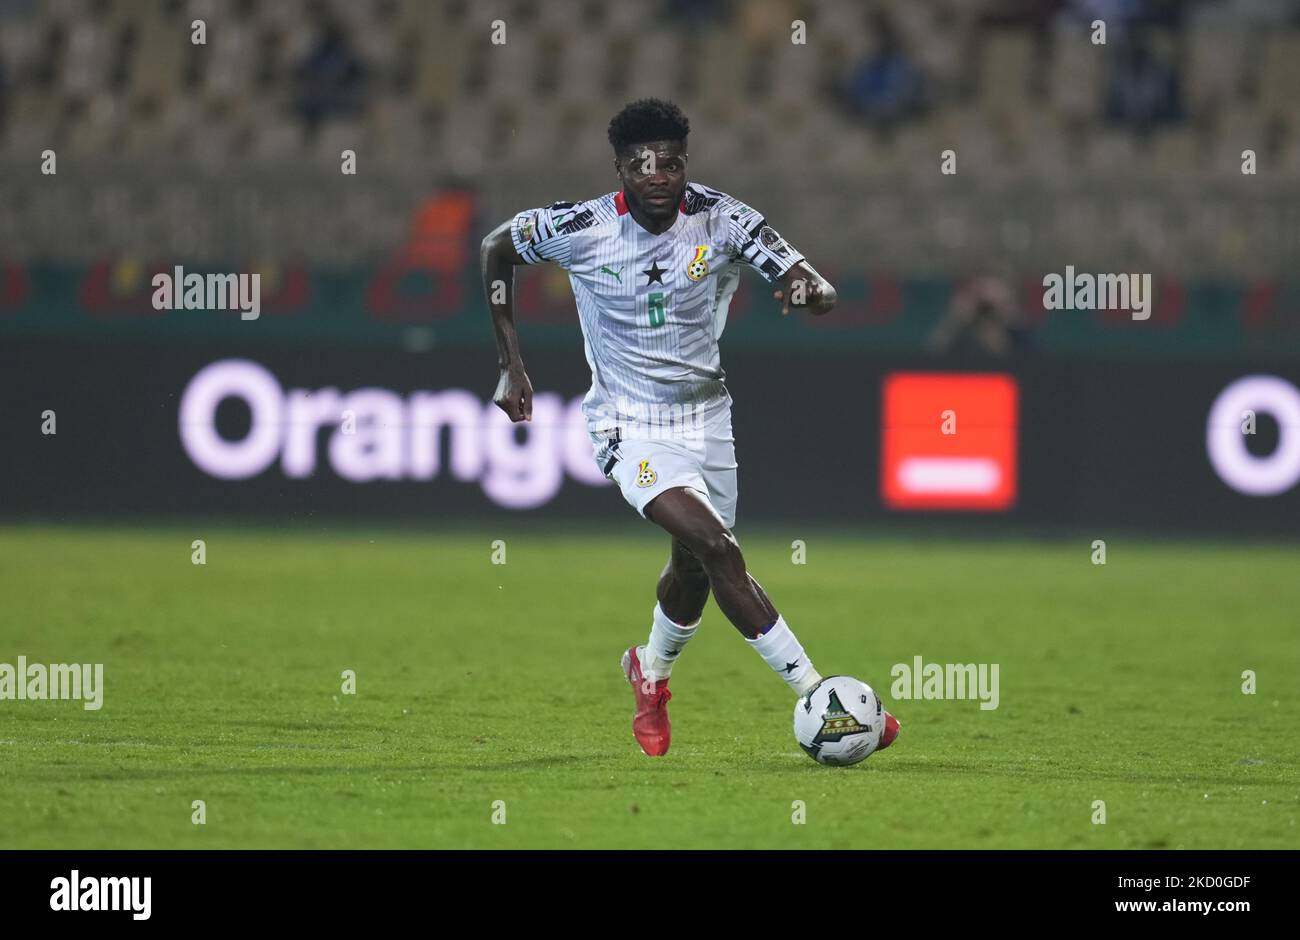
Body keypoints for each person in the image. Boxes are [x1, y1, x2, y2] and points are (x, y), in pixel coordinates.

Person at [479, 98, 900, 757]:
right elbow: (494, 249)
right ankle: (819, 695)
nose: (657, 176)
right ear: (619, 168)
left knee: (694, 568)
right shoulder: (580, 227)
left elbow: (811, 283)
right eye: (641, 164)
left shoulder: (724, 219)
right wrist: (512, 363)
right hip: (627, 422)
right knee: (718, 547)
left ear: (684, 165)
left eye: (669, 163)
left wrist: (807, 293)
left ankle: (650, 672)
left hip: (708, 419)